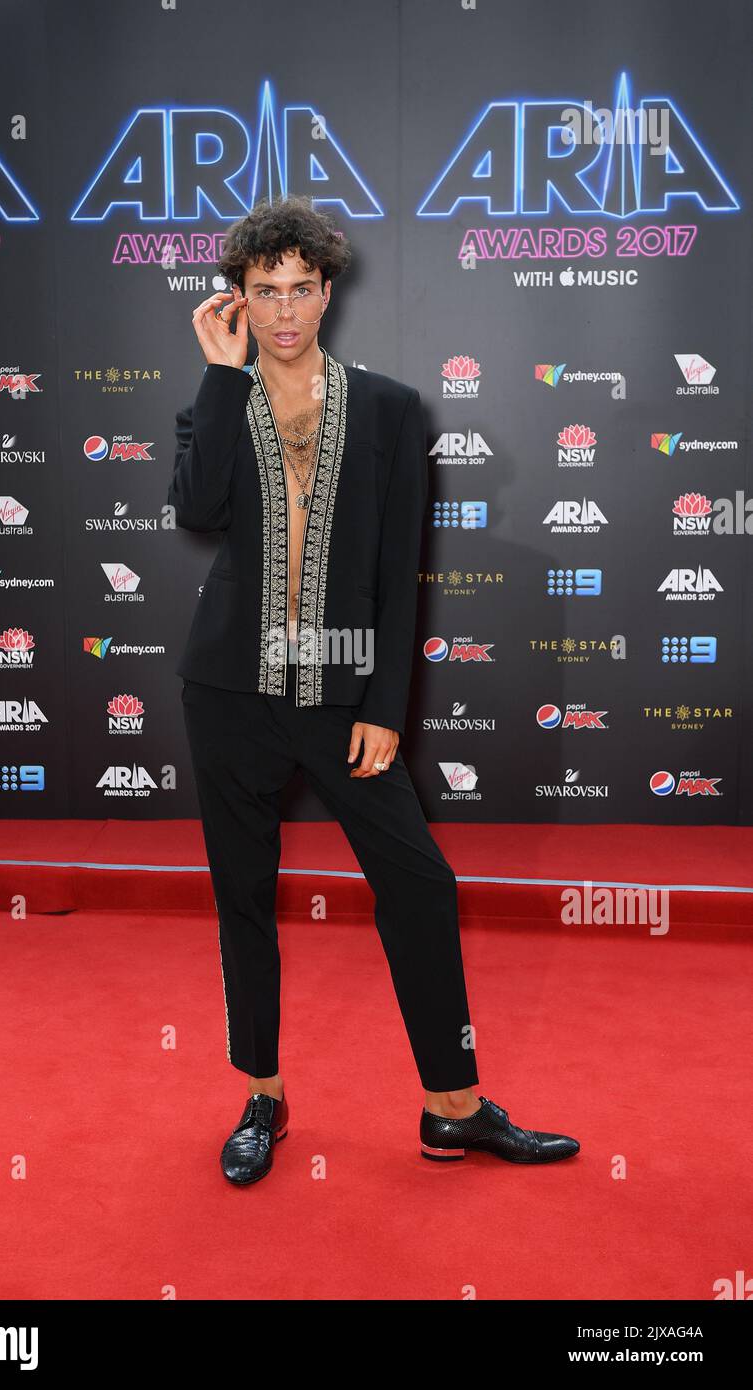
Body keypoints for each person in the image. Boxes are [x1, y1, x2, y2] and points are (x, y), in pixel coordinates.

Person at [168, 195, 579, 1184]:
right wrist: (221, 385)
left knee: (420, 886)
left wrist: (385, 707)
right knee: (242, 897)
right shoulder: (213, 402)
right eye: (261, 293)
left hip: (342, 694)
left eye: (298, 289)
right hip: (229, 687)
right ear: (237, 300)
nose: (280, 312)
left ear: (325, 289)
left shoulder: (390, 410)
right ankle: (259, 1094)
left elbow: (402, 568)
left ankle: (454, 1107)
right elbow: (197, 508)